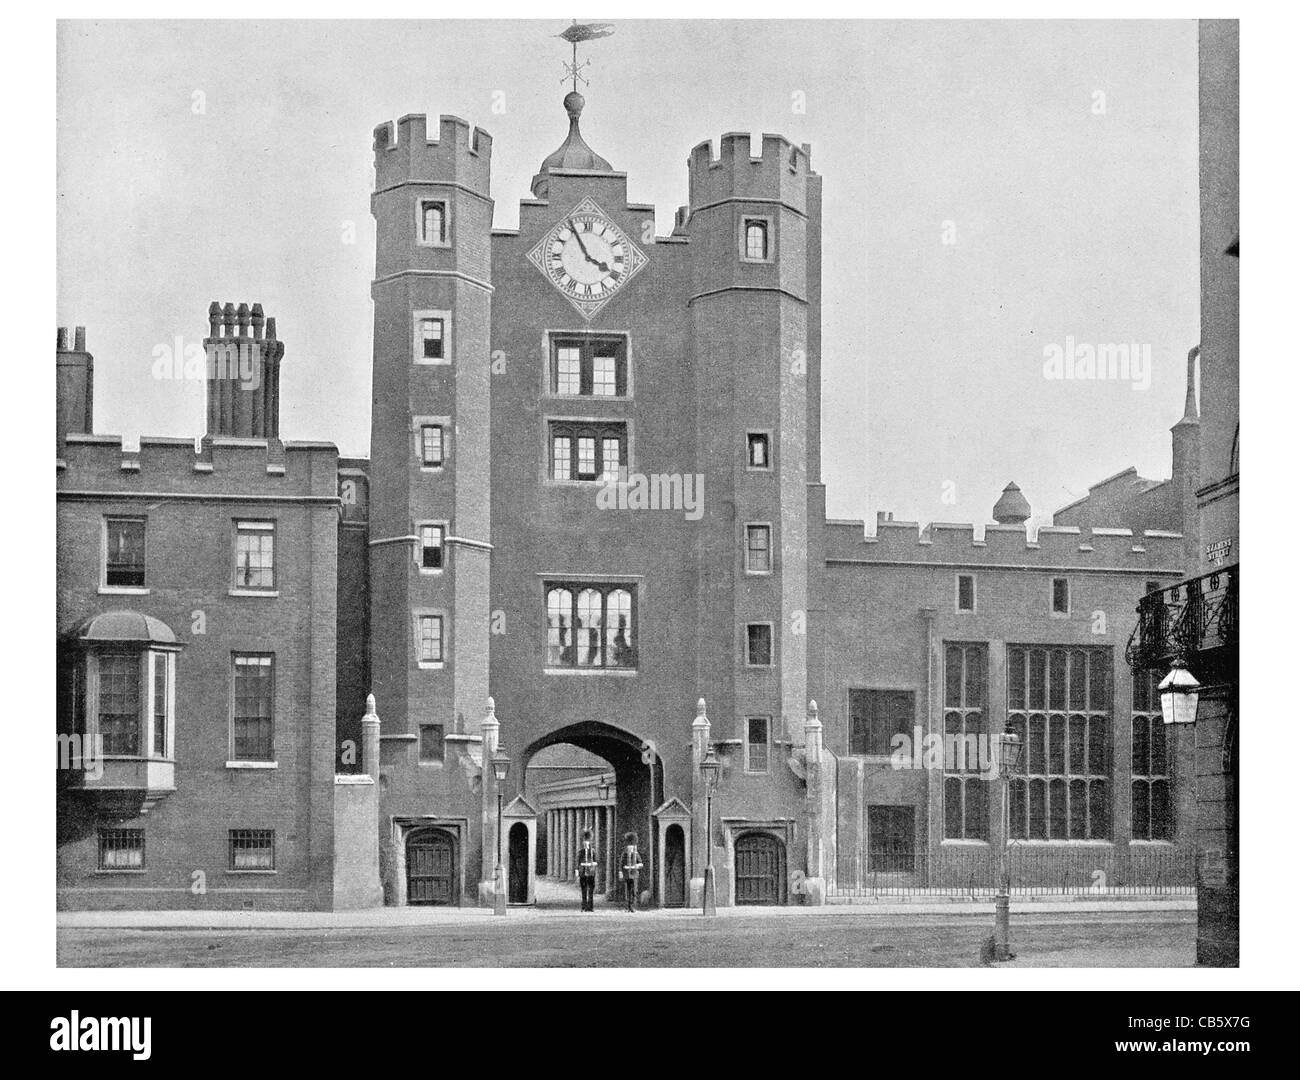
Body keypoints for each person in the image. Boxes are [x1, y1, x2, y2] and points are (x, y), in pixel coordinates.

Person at [619, 832, 643, 912]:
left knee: (633, 890)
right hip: (626, 874)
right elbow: (621, 864)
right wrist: (621, 872)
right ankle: (628, 905)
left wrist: (635, 866)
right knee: (627, 890)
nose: (630, 848)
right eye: (629, 847)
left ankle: (631, 905)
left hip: (634, 873)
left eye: (631, 847)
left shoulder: (636, 854)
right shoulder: (624, 854)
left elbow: (641, 863)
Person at [576, 828, 598, 912]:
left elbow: (596, 862)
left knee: (591, 890)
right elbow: (577, 862)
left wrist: (591, 864)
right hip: (583, 872)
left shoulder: (593, 852)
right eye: (584, 843)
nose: (585, 845)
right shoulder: (580, 852)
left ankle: (590, 906)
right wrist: (577, 870)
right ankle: (584, 906)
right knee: (584, 889)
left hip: (591, 872)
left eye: (587, 843)